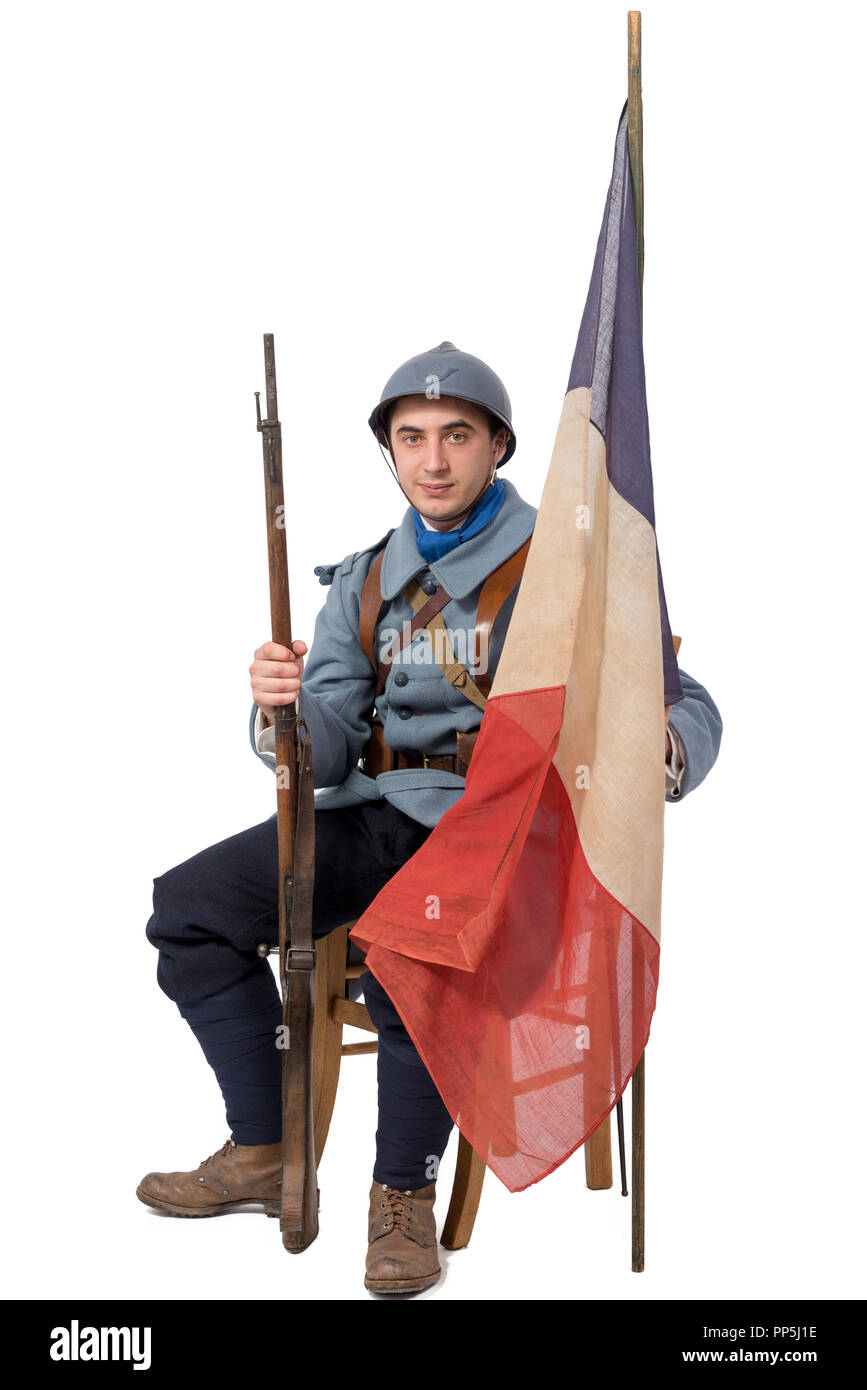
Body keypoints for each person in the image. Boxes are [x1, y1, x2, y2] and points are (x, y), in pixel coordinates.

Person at [138, 341, 723, 1295]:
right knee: (190, 910)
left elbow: (687, 703)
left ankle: (400, 1193)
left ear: (499, 446)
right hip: (379, 815)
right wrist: (284, 712)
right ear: (391, 452)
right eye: (411, 438)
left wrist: (652, 746)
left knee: (410, 951)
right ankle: (265, 1147)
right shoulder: (366, 579)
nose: (434, 460)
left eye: (457, 435)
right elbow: (329, 745)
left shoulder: (569, 567)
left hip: (506, 836)